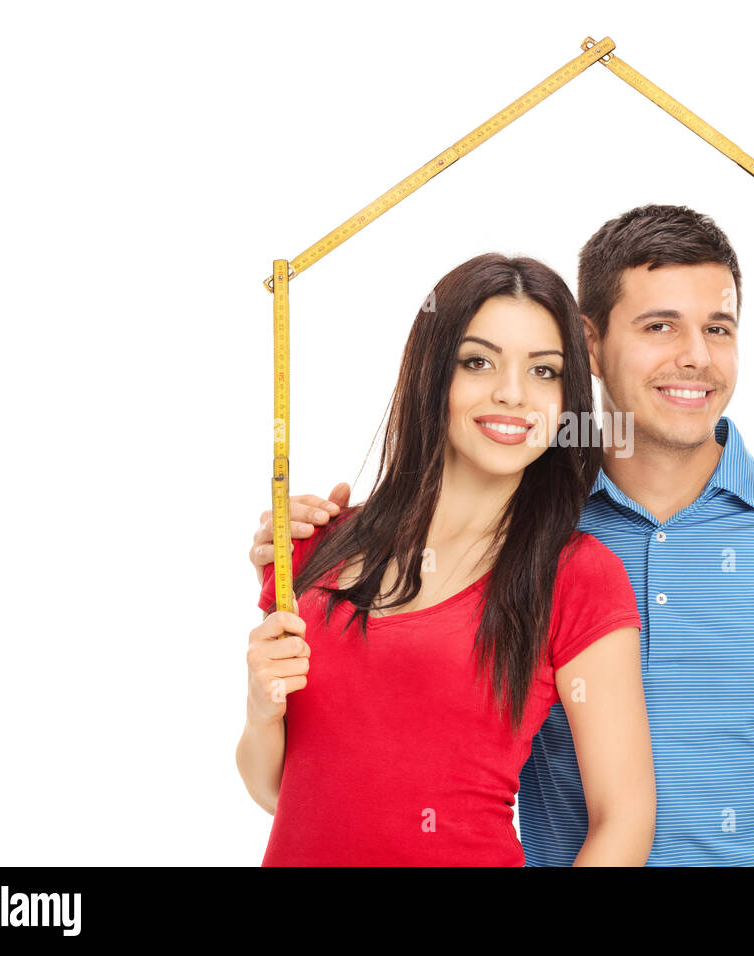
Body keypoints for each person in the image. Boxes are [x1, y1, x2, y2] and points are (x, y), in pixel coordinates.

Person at [254, 205, 754, 866]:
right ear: (590, 343)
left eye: (718, 328)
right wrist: (331, 546)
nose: (696, 357)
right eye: (659, 326)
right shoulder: (525, 532)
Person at [236, 253, 656, 866]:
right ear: (433, 373)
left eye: (544, 372)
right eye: (478, 362)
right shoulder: (313, 544)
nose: (512, 394)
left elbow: (624, 819)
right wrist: (261, 708)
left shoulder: (576, 575)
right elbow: (276, 789)